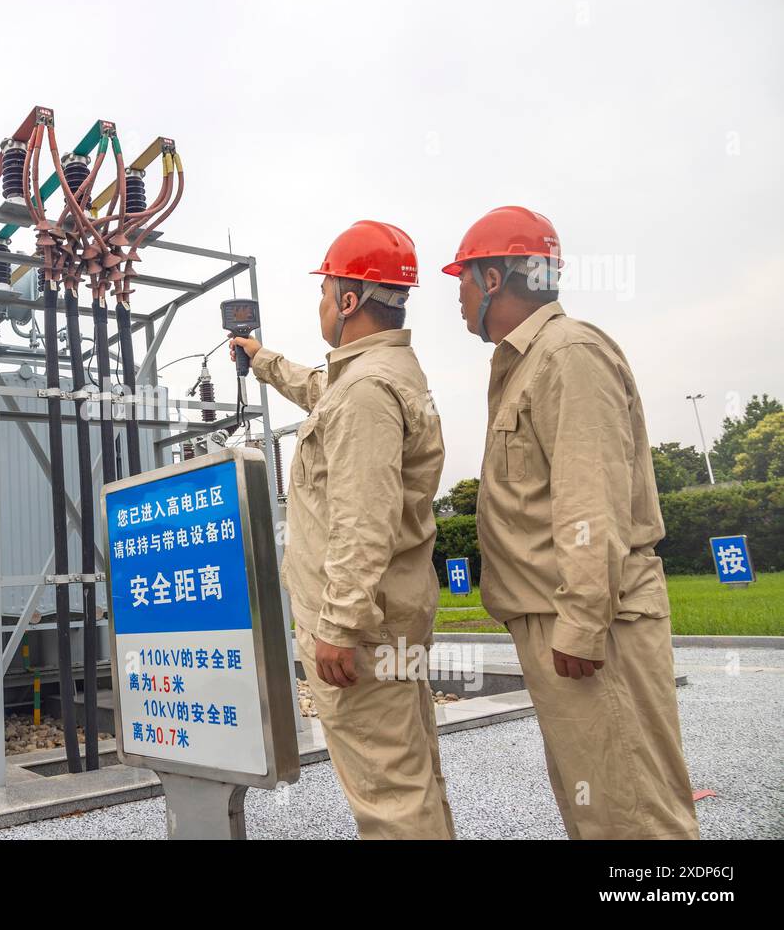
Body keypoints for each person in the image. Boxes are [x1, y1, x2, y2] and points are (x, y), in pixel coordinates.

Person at [443, 205, 699, 839]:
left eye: (464, 279)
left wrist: (583, 623)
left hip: (587, 626)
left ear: (495, 280)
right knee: (599, 808)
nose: (459, 294)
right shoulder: (528, 363)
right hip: (557, 618)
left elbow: (592, 500)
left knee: (634, 812)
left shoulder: (568, 354)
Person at [233, 220, 453, 839]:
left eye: (326, 292)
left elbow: (363, 520)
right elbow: (321, 391)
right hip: (390, 620)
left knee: (389, 797)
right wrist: (262, 360)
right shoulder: (380, 375)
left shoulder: (366, 392)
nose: (322, 304)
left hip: (360, 637)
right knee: (412, 779)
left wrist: (337, 625)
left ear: (350, 300)